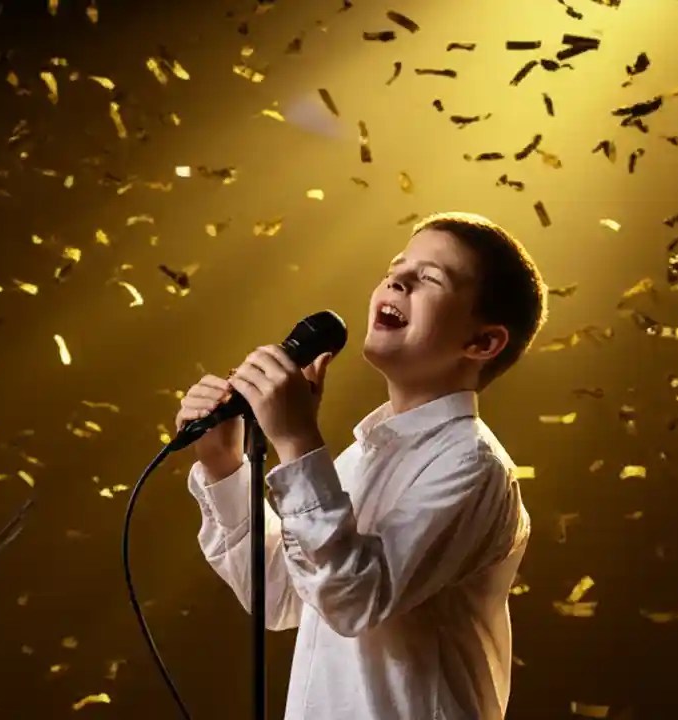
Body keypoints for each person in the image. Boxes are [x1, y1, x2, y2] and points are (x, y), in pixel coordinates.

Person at [174, 211, 547, 719]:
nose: (398, 279)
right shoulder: (362, 456)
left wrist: (298, 441)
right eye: (398, 267)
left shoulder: (475, 467)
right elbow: (283, 597)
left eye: (430, 278)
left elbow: (355, 599)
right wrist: (223, 464)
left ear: (481, 343)